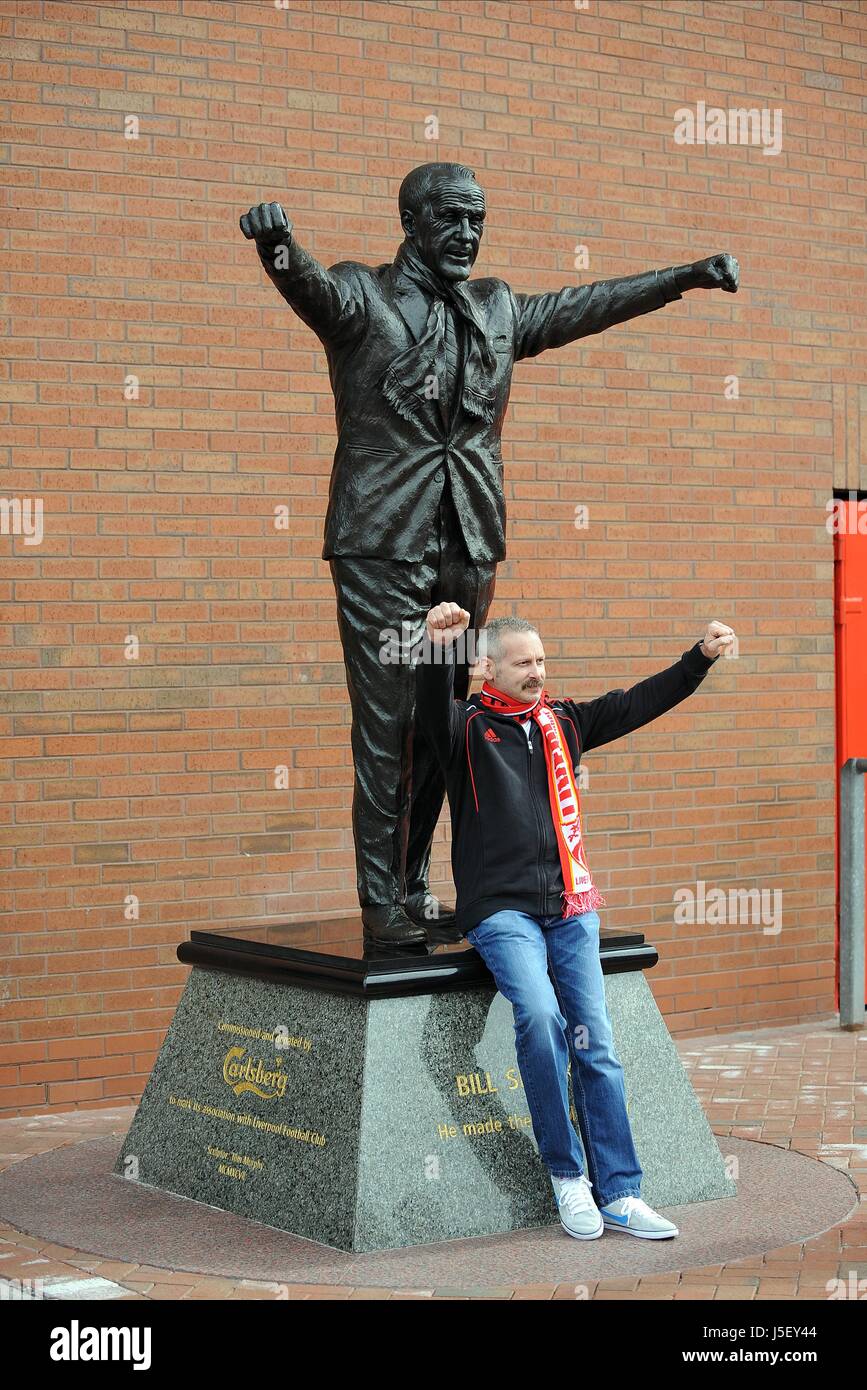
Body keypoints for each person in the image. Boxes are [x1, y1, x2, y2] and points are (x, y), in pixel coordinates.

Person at [240, 163, 739, 948]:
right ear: (410, 222)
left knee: (446, 725)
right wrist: (276, 244)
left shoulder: (494, 306)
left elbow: (583, 307)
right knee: (388, 721)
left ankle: (412, 888)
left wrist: (682, 277)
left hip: (467, 543)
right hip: (383, 547)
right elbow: (307, 287)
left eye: (477, 220)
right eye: (451, 219)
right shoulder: (361, 297)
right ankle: (380, 901)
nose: (468, 234)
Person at [413, 600, 735, 1240]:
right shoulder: (465, 731)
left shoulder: (564, 722)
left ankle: (620, 1192)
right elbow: (427, 704)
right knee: (538, 1015)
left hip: (569, 907)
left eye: (540, 660)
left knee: (599, 1045)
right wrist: (432, 648)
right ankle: (567, 1178)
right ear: (488, 670)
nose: (536, 672)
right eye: (523, 663)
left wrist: (698, 659)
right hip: (500, 910)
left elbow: (637, 702)